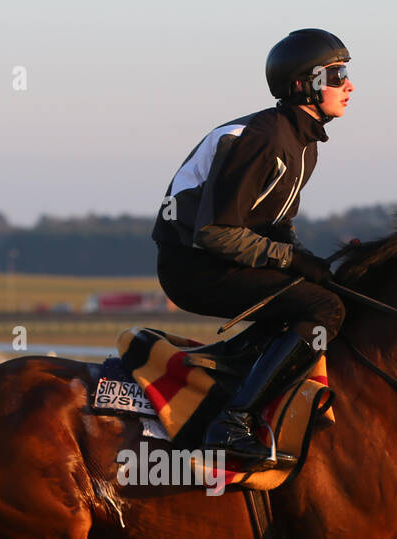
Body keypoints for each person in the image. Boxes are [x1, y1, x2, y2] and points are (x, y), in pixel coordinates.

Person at [151, 28, 352, 470]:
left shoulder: (302, 142)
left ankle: (242, 385)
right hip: (194, 267)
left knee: (334, 291)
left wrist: (311, 259)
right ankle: (231, 422)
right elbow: (215, 233)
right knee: (325, 309)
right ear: (305, 84)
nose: (349, 85)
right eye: (337, 75)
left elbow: (274, 225)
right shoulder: (263, 139)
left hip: (221, 259)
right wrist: (291, 259)